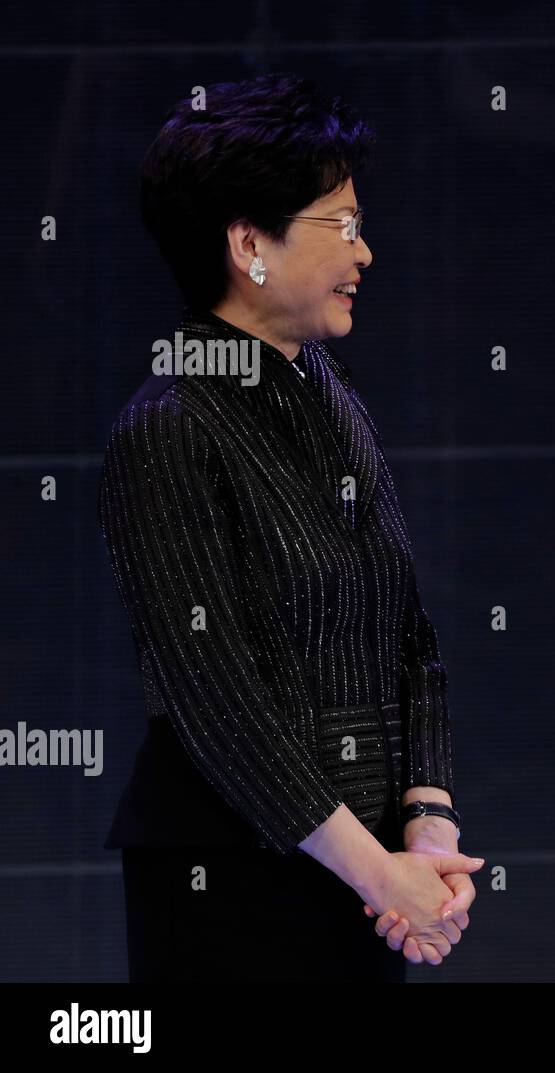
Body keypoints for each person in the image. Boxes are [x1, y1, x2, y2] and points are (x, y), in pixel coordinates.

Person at [99, 73, 482, 981]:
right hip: (229, 886)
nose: (367, 252)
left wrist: (426, 825)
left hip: (366, 882)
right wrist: (379, 870)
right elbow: (216, 701)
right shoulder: (167, 428)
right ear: (249, 245)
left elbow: (408, 632)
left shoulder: (333, 395)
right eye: (340, 225)